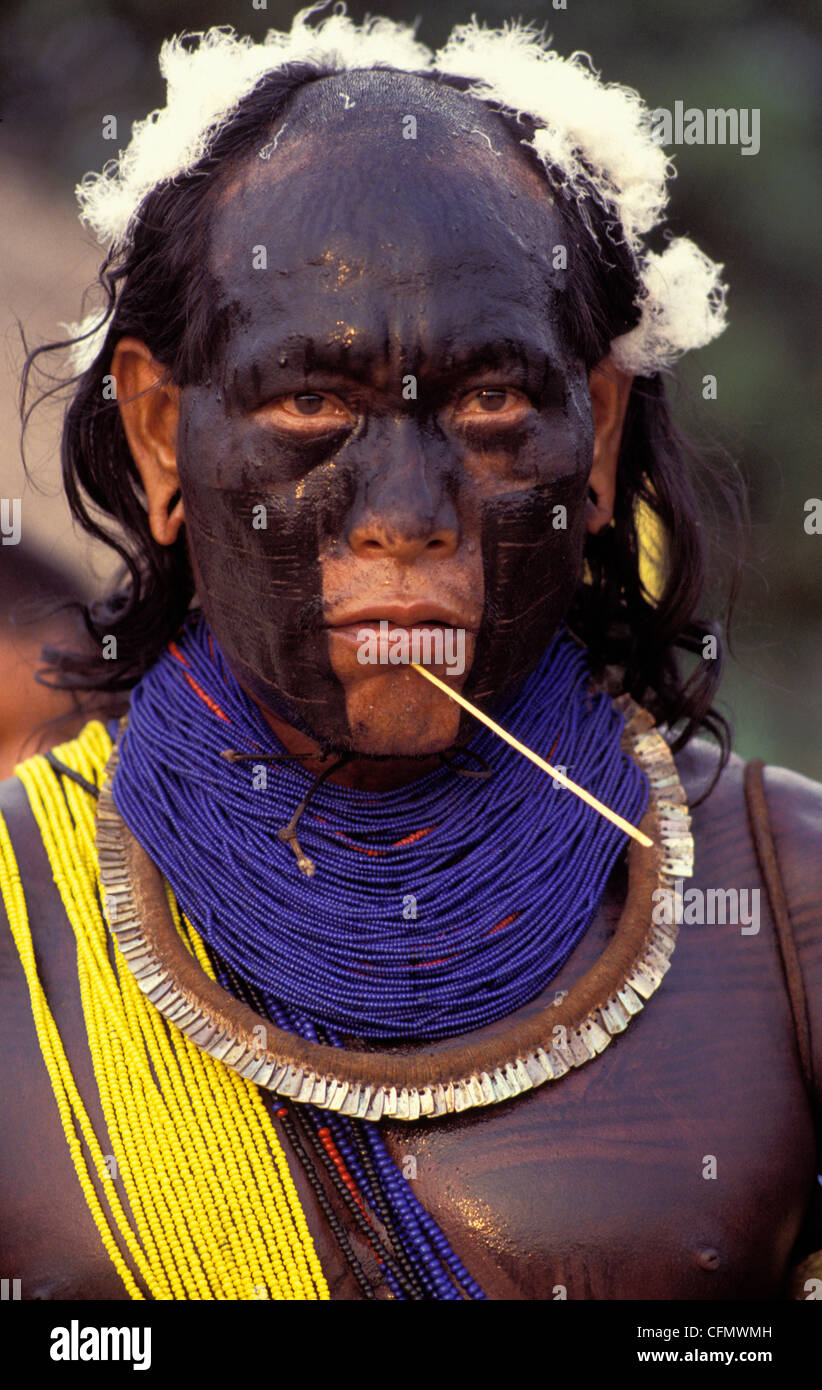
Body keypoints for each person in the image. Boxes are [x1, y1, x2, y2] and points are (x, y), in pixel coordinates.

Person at [1, 8, 820, 1302]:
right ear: (162, 434)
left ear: (594, 433)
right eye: (309, 402)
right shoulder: (12, 920)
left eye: (493, 402)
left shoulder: (788, 913)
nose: (407, 509)